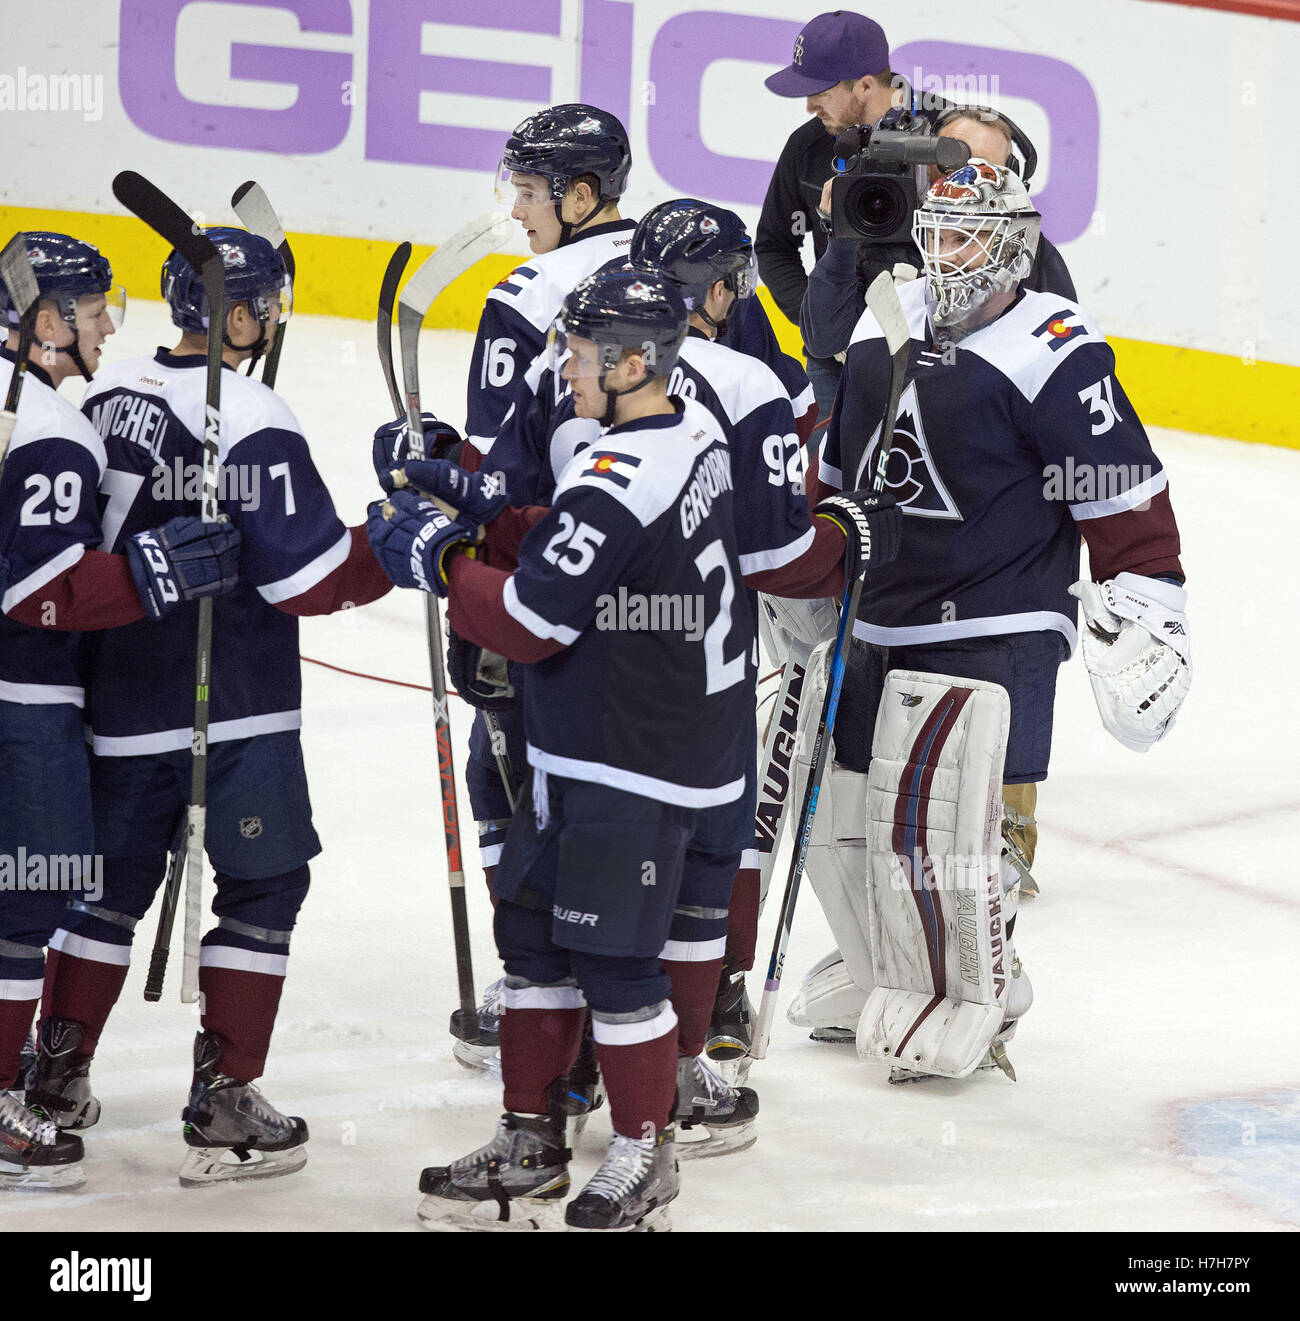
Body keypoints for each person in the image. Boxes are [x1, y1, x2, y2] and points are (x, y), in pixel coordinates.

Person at [368, 266, 756, 1230]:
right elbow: (586, 542)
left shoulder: (625, 475)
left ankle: (644, 1151)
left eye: (580, 352)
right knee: (534, 943)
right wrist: (481, 503)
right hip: (616, 742)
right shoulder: (684, 433)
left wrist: (440, 555)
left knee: (619, 963)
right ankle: (530, 1138)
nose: (564, 365)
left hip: (632, 758)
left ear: (633, 361)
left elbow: (535, 617)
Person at [791, 161, 1188, 1076]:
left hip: (996, 616)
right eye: (938, 230)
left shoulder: (1053, 343)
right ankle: (882, 964)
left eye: (970, 235)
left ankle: (978, 990)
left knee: (945, 828)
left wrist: (1150, 595)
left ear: (1015, 246)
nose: (946, 251)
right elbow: (837, 477)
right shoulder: (883, 318)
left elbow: (1118, 483)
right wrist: (802, 570)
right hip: (879, 610)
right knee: (835, 815)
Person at [26, 227, 392, 1186]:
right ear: (237, 315)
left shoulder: (98, 401)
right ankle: (225, 1095)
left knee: (104, 889)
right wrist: (398, 538)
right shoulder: (257, 416)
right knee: (266, 887)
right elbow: (311, 575)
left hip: (115, 697)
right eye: (263, 308)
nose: (271, 324)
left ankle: (54, 1072)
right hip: (234, 705)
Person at [0, 232, 240, 1190]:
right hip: (23, 698)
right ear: (49, 322)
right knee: (29, 902)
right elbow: (37, 586)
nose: (108, 327)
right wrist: (158, 568)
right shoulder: (52, 426)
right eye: (95, 311)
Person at [799, 103, 1076, 363]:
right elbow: (824, 342)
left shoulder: (1025, 250)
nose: (967, 180)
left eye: (985, 170)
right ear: (924, 160)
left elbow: (1064, 353)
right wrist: (842, 236)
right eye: (951, 163)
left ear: (1012, 180)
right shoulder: (880, 226)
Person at [757, 10, 920, 419]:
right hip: (834, 367)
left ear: (865, 85)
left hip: (926, 360)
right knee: (830, 481)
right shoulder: (808, 147)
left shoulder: (944, 139)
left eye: (821, 92)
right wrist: (820, 322)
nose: (809, 105)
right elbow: (774, 245)